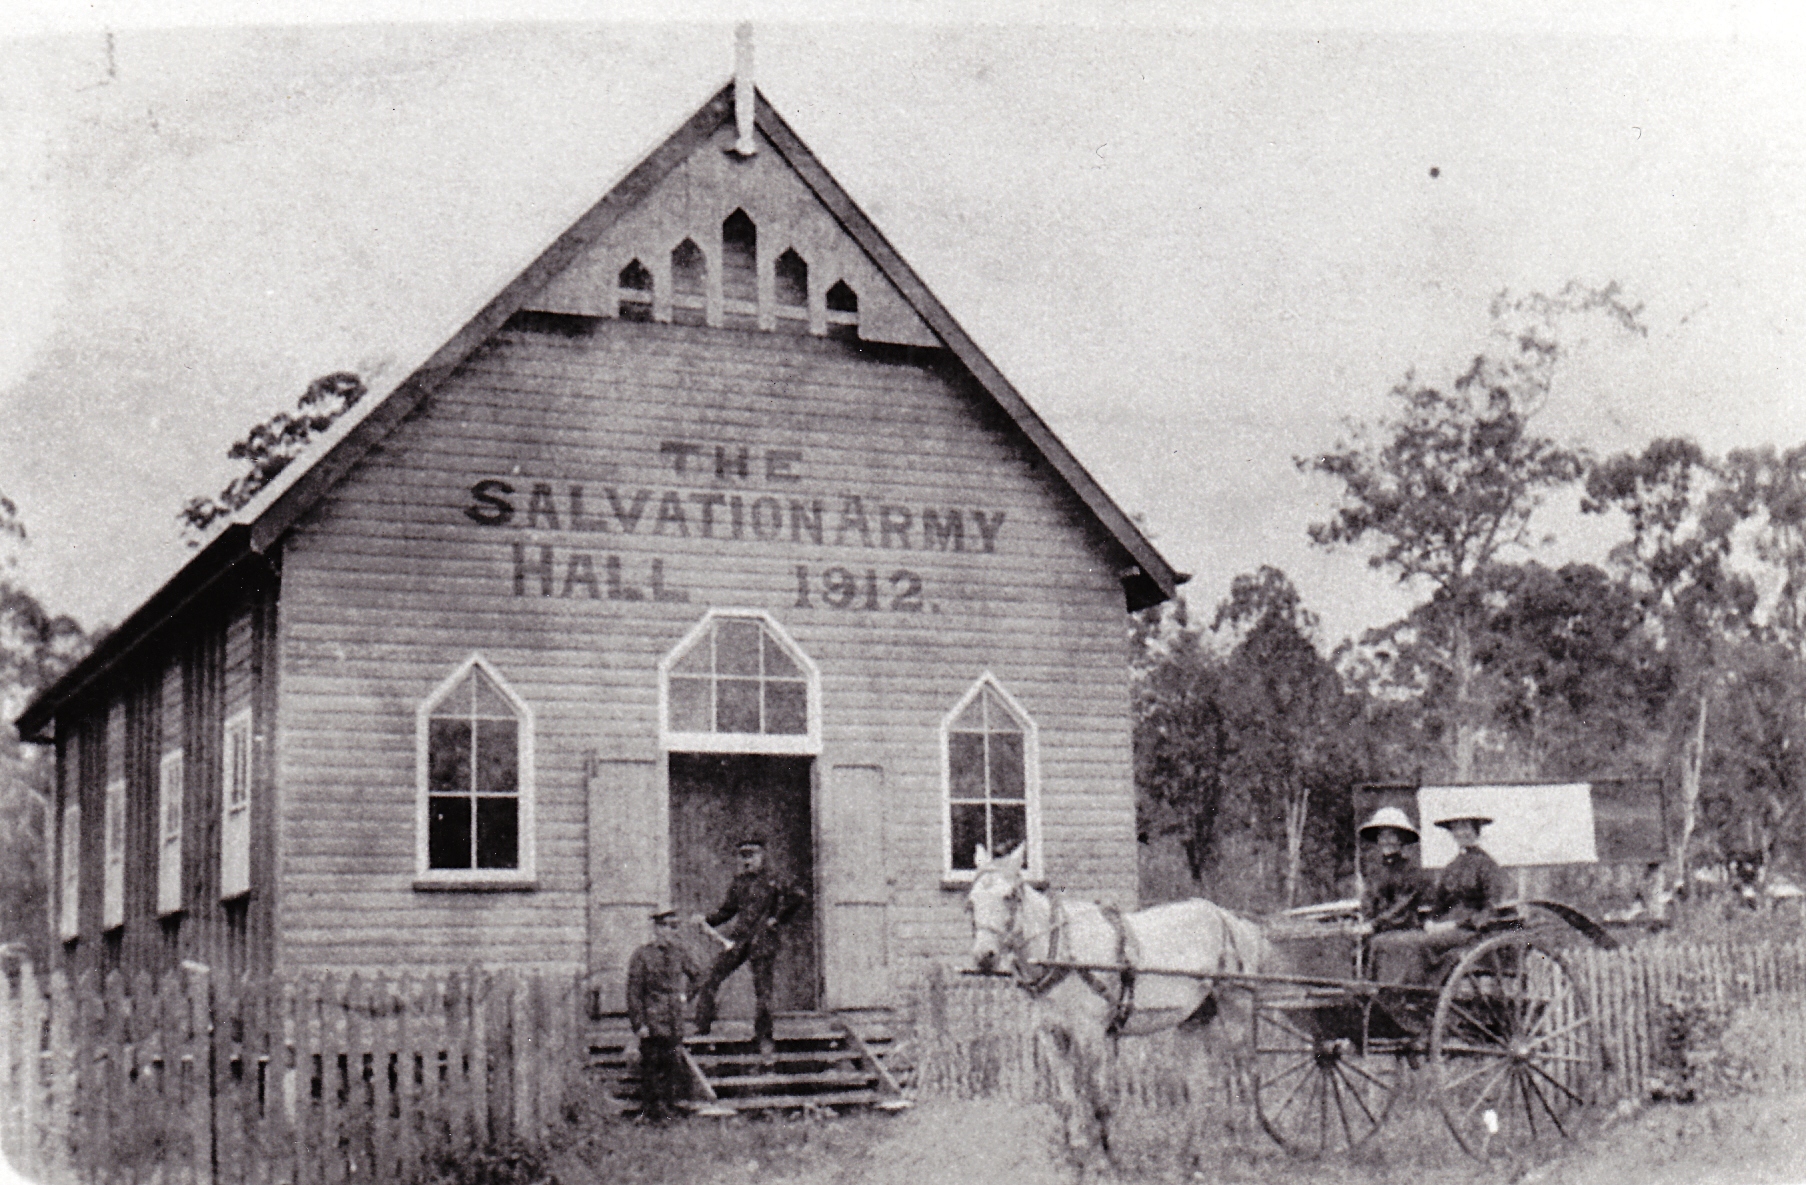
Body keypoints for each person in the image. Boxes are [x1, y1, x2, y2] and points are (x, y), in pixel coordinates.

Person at [691, 838, 809, 1054]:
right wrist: (706, 920)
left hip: (763, 941)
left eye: (751, 855)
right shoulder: (739, 883)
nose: (747, 861)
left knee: (763, 992)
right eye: (743, 856)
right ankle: (701, 1029)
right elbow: (727, 911)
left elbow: (798, 896)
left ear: (762, 856)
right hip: (740, 939)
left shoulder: (774, 879)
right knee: (710, 978)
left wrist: (778, 919)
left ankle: (764, 1037)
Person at [1370, 813, 1505, 987]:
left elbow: (1491, 908)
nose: (1461, 833)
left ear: (1476, 831)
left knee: (1415, 943)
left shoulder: (1488, 865)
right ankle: (1388, 989)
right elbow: (1440, 904)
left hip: (1470, 932)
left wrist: (1457, 924)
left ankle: (1414, 989)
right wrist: (1431, 921)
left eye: (1465, 827)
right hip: (1445, 928)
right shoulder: (1452, 866)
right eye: (1456, 828)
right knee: (1387, 940)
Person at [625, 906, 702, 1122]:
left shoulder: (679, 953)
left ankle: (669, 1109)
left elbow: (699, 975)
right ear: (658, 929)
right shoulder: (642, 955)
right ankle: (653, 1111)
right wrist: (639, 1024)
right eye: (668, 927)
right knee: (651, 1065)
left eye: (675, 927)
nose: (672, 931)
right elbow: (633, 992)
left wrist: (686, 995)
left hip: (674, 1019)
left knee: (672, 1064)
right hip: (652, 1020)